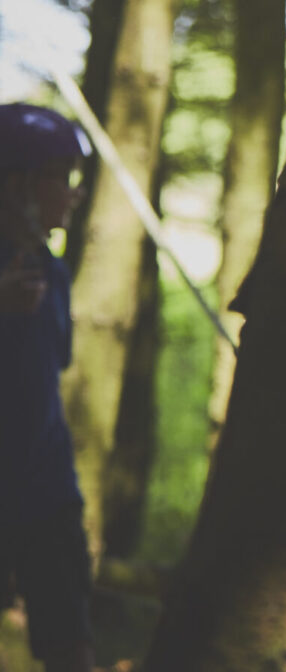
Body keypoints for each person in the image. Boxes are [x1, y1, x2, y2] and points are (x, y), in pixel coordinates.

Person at [0, 104, 96, 672]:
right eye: (62, 177)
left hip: (47, 488)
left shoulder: (53, 271)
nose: (73, 193)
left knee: (70, 640)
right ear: (18, 185)